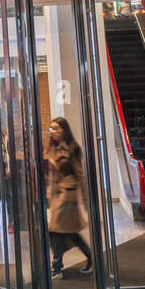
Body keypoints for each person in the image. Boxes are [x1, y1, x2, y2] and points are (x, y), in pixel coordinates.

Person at [45, 117, 93, 278]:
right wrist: (48, 193)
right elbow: (51, 175)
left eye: (57, 128)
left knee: (56, 231)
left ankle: (57, 266)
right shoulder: (53, 148)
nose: (54, 132)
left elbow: (80, 175)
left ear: (64, 130)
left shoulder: (73, 148)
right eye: (52, 129)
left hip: (68, 195)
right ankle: (90, 257)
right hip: (56, 195)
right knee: (68, 231)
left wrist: (86, 199)